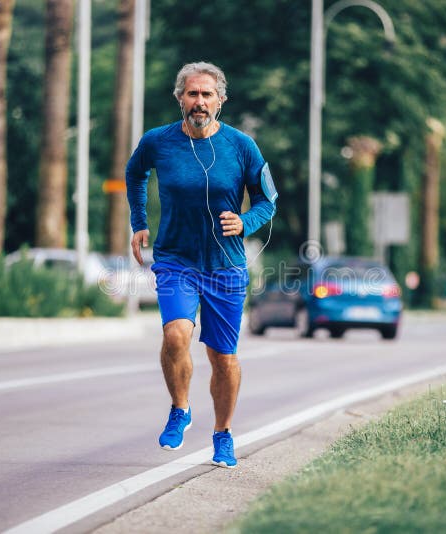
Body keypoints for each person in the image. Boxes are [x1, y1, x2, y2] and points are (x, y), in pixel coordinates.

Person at [126, 62, 277, 468]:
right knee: (176, 335)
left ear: (221, 101)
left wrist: (246, 222)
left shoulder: (242, 146)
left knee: (222, 358)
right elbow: (134, 172)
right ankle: (180, 408)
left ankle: (223, 434)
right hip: (176, 259)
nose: (199, 102)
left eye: (207, 94)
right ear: (180, 99)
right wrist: (139, 223)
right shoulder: (158, 142)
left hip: (225, 266)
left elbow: (268, 200)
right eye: (192, 94)